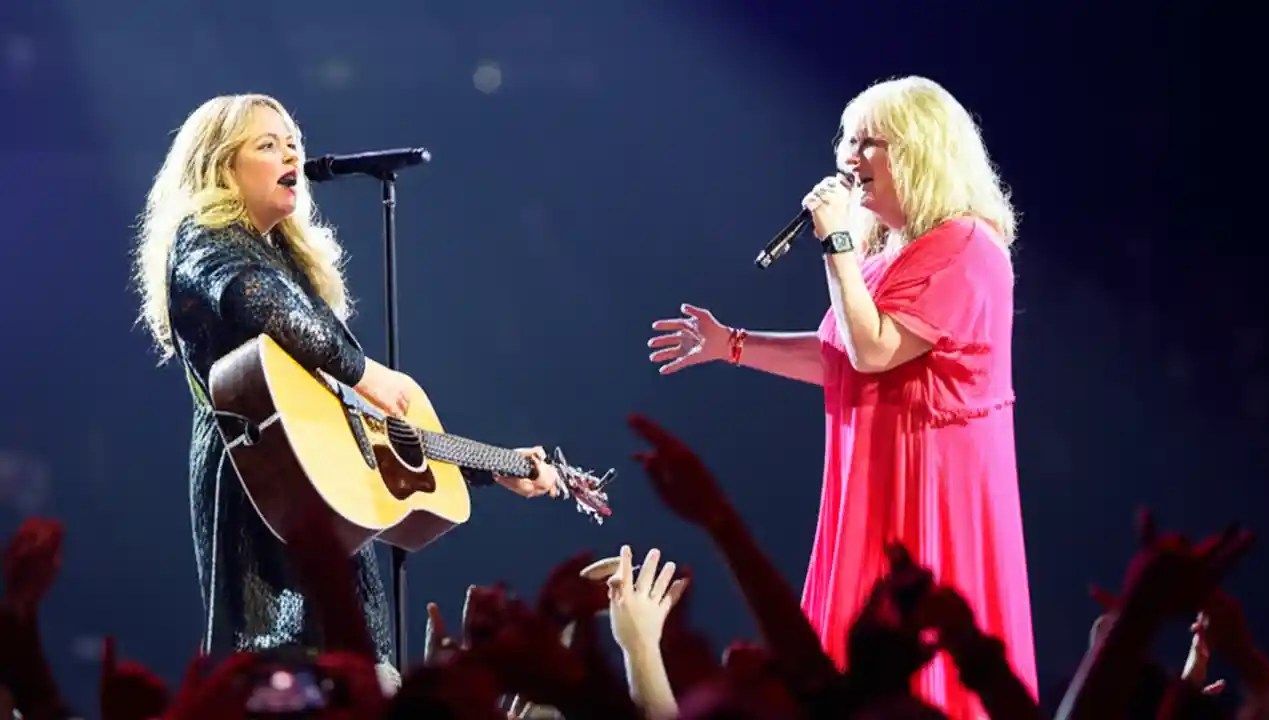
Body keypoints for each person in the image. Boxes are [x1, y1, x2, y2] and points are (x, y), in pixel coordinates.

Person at [132, 94, 561, 691]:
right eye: (267, 144)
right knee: (282, 673)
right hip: (260, 492)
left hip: (326, 520)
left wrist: (495, 467)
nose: (291, 153)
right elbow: (258, 299)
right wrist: (364, 372)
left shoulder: (287, 262)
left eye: (293, 142)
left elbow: (370, 434)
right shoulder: (205, 241)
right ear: (221, 167)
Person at [646, 76, 1037, 717]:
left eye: (868, 143)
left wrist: (836, 244)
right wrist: (733, 343)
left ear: (920, 150)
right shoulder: (893, 255)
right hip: (873, 478)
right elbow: (844, 361)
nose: (847, 159)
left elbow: (873, 350)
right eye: (846, 142)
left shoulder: (967, 249)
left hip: (925, 491)